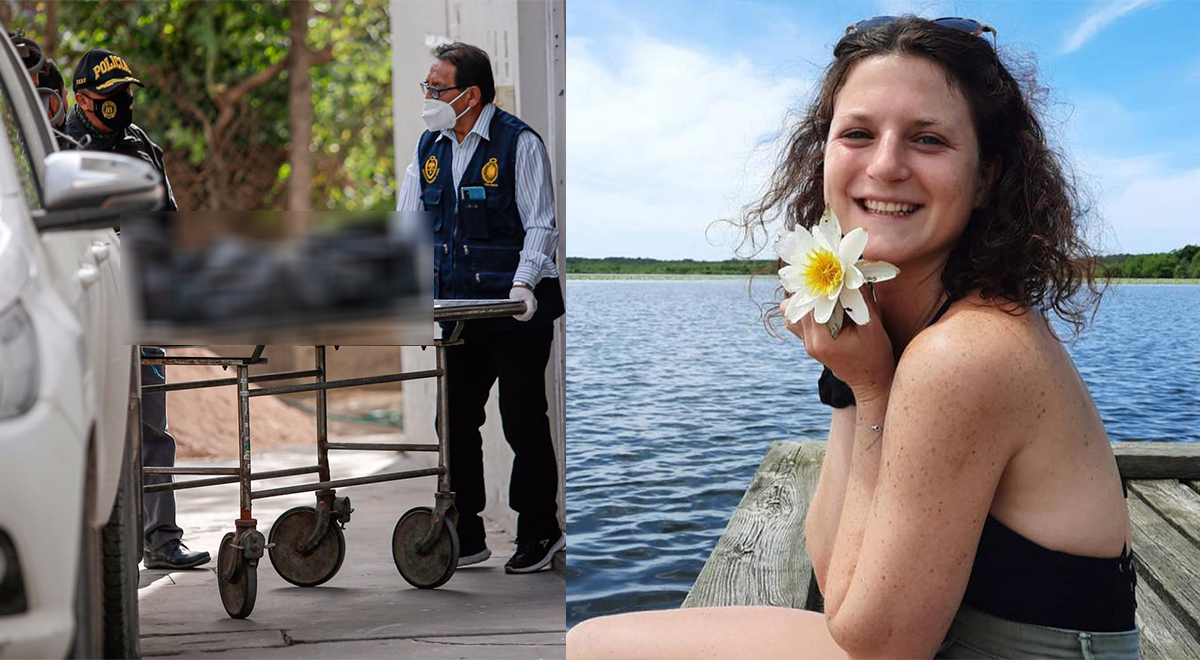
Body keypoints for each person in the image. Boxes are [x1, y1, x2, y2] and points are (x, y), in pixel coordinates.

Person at [567, 16, 1137, 660]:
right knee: (590, 642)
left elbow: (873, 645)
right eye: (858, 134)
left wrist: (871, 388)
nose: (886, 165)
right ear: (824, 158)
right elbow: (835, 565)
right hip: (946, 638)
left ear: (985, 178)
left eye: (927, 139)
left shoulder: (968, 352)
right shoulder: (922, 325)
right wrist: (851, 376)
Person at [398, 42, 566, 573]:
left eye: (437, 88)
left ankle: (540, 531)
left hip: (516, 312)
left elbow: (541, 224)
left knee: (522, 421)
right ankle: (466, 534)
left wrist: (523, 284)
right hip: (460, 312)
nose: (428, 96)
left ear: (470, 95)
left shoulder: (519, 143)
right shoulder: (429, 147)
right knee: (454, 421)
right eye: (427, 86)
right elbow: (409, 223)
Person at [66, 47, 205, 570]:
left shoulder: (140, 145)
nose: (124, 100)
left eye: (127, 91)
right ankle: (89, 551)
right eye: (112, 94)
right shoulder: (60, 150)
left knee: (152, 429)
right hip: (87, 311)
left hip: (142, 307)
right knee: (88, 428)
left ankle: (161, 540)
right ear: (83, 99)